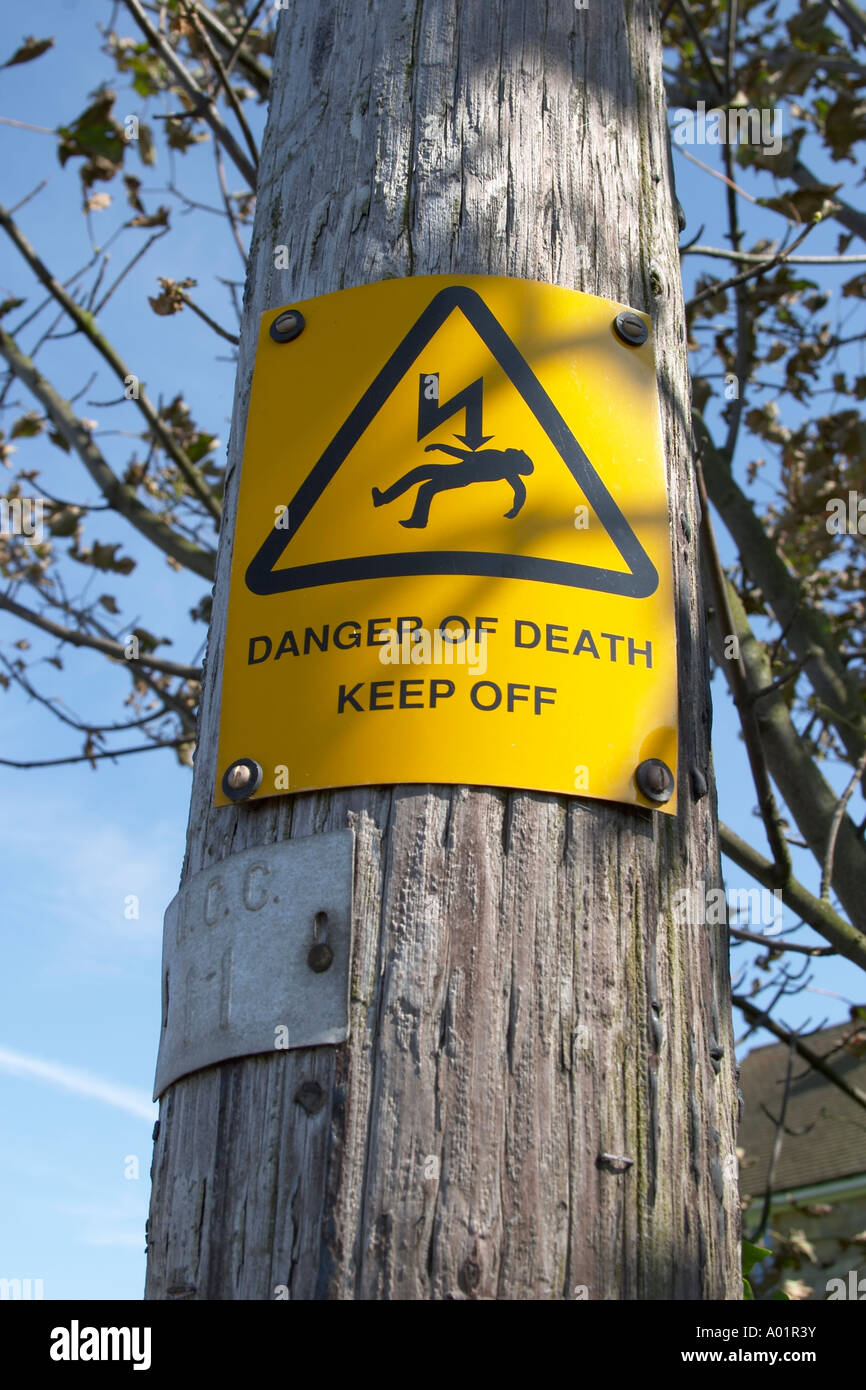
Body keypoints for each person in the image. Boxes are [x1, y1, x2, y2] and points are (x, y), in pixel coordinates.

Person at [372, 442, 534, 528]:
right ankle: (414, 516)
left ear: (519, 462)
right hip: (458, 474)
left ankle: (409, 513)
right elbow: (521, 490)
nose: (519, 450)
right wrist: (515, 509)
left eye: (522, 455)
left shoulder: (501, 463)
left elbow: (467, 456)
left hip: (457, 475)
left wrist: (441, 447)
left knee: (424, 482)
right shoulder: (503, 465)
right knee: (424, 483)